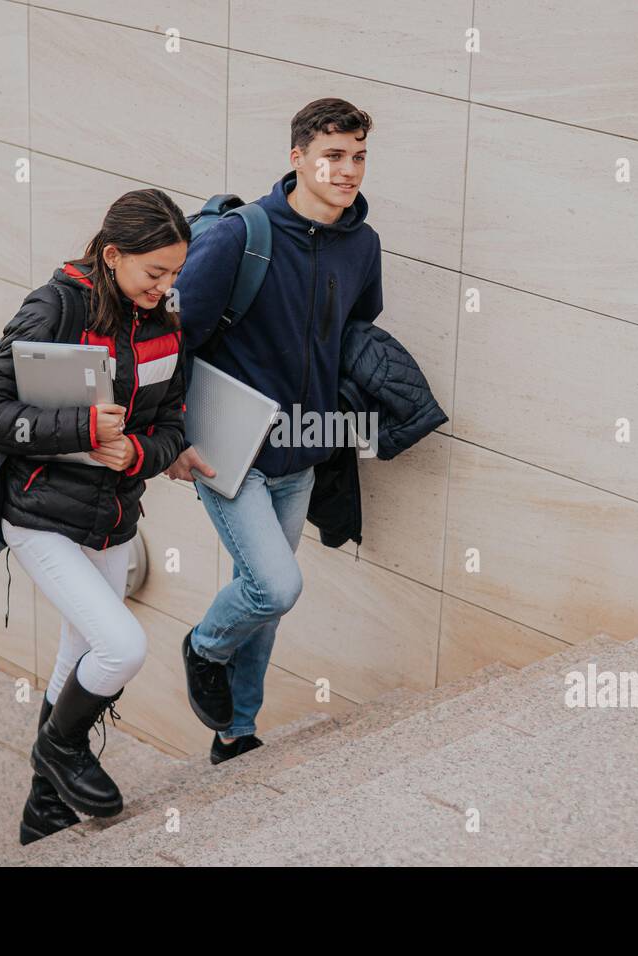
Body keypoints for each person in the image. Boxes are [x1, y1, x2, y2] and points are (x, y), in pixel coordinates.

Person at [0, 189, 189, 843]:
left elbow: (175, 423)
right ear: (114, 255)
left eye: (176, 274)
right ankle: (61, 750)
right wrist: (85, 427)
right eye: (155, 273)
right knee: (121, 646)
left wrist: (139, 451)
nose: (166, 287)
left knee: (77, 654)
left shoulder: (167, 322)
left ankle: (44, 811)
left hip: (113, 516)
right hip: (39, 514)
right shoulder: (56, 305)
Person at [166, 98, 383, 764]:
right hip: (231, 451)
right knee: (276, 585)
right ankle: (201, 647)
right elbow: (177, 334)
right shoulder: (242, 235)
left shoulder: (363, 244)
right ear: (298, 157)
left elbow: (353, 330)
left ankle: (237, 734)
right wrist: (172, 437)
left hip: (303, 452)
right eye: (334, 155)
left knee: (264, 599)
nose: (348, 171)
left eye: (358, 157)